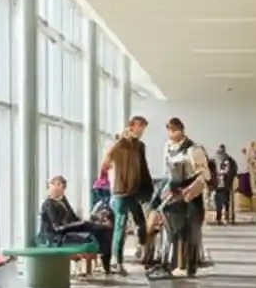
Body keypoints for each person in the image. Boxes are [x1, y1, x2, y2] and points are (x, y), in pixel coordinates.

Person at [149, 119, 209, 279]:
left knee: (191, 232)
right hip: (173, 195)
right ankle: (173, 264)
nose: (172, 134)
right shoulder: (167, 147)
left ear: (182, 130)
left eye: (175, 130)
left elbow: (205, 175)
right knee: (174, 232)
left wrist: (190, 191)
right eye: (169, 130)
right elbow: (167, 173)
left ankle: (189, 266)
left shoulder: (194, 149)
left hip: (191, 195)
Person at [101, 116, 153, 275]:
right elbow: (106, 162)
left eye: (143, 128)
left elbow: (143, 168)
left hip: (134, 191)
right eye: (139, 128)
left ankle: (142, 248)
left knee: (141, 223)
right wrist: (121, 139)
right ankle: (117, 260)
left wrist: (147, 190)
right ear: (131, 127)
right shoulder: (119, 145)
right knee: (120, 226)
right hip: (121, 191)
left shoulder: (139, 146)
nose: (141, 131)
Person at [40, 175, 112, 274]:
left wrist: (88, 222)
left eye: (62, 186)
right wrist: (80, 224)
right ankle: (98, 257)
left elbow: (73, 218)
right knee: (90, 236)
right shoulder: (49, 204)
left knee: (105, 230)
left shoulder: (62, 200)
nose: (61, 188)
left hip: (69, 230)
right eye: (58, 185)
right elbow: (57, 228)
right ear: (51, 186)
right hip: (57, 237)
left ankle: (105, 263)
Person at [211, 144, 239, 225]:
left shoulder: (226, 160)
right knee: (224, 202)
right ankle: (223, 218)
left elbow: (233, 170)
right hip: (222, 185)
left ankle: (223, 218)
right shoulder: (228, 160)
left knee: (222, 202)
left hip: (222, 185)